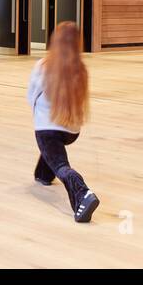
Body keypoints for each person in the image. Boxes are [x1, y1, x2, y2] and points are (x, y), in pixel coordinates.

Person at [28, 21, 99, 223]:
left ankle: (83, 195)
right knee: (51, 151)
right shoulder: (81, 69)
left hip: (47, 129)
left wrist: (39, 115)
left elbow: (30, 96)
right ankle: (43, 173)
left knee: (60, 164)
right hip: (72, 131)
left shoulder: (42, 66)